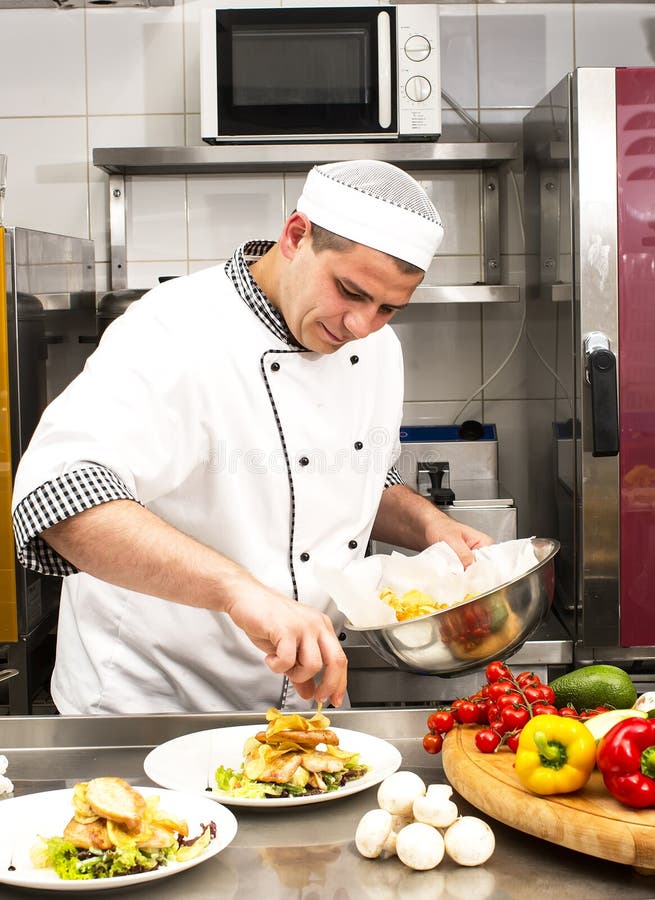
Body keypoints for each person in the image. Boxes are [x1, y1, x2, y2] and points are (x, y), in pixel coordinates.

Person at [11, 159, 492, 715]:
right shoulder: (172, 328)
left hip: (307, 701)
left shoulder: (378, 349)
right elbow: (58, 499)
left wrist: (431, 525)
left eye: (388, 308)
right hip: (152, 704)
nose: (362, 325)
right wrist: (239, 592)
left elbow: (357, 480)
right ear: (296, 236)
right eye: (350, 291)